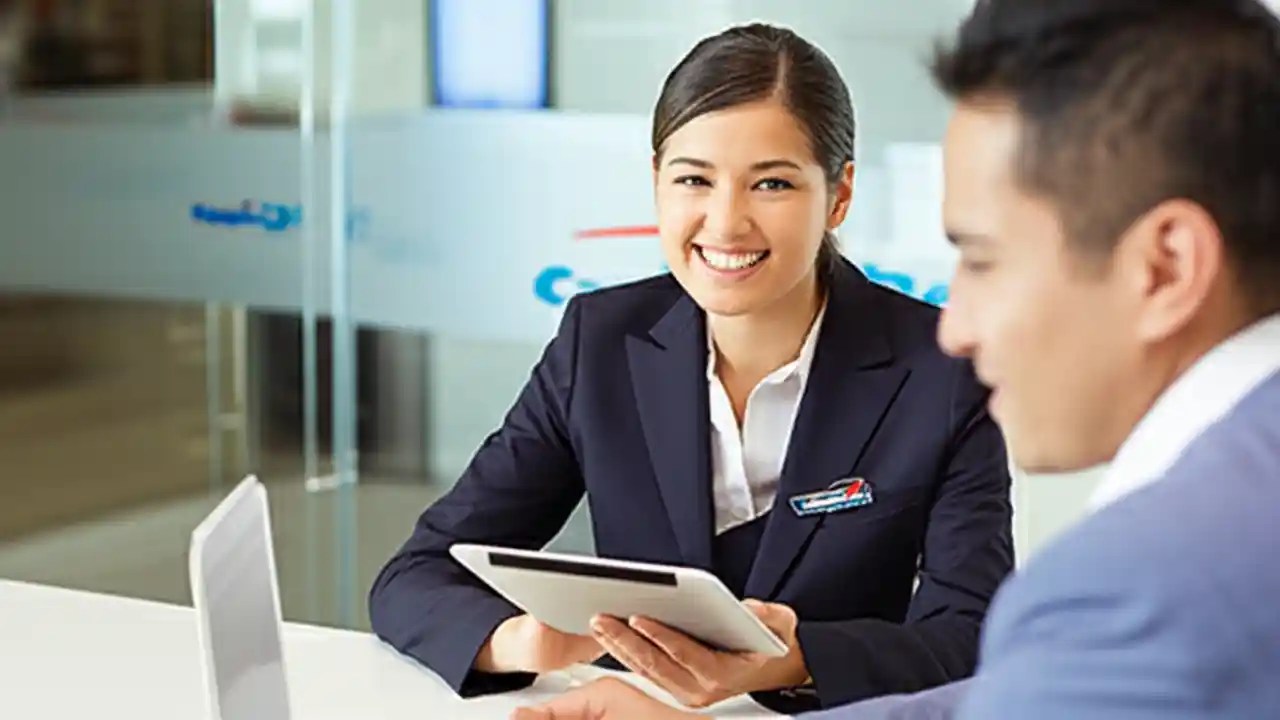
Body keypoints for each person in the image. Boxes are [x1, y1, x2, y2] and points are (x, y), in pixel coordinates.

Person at [509, 1, 1280, 718]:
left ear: (1166, 266)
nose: (957, 329)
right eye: (693, 179)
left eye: (984, 259)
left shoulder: (1149, 581)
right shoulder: (1232, 505)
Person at [369, 23, 1014, 715]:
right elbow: (417, 574)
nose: (726, 222)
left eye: (772, 183)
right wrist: (528, 640)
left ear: (839, 195)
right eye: (693, 180)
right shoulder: (601, 343)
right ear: (657, 182)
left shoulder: (942, 369)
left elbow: (974, 636)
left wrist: (794, 660)